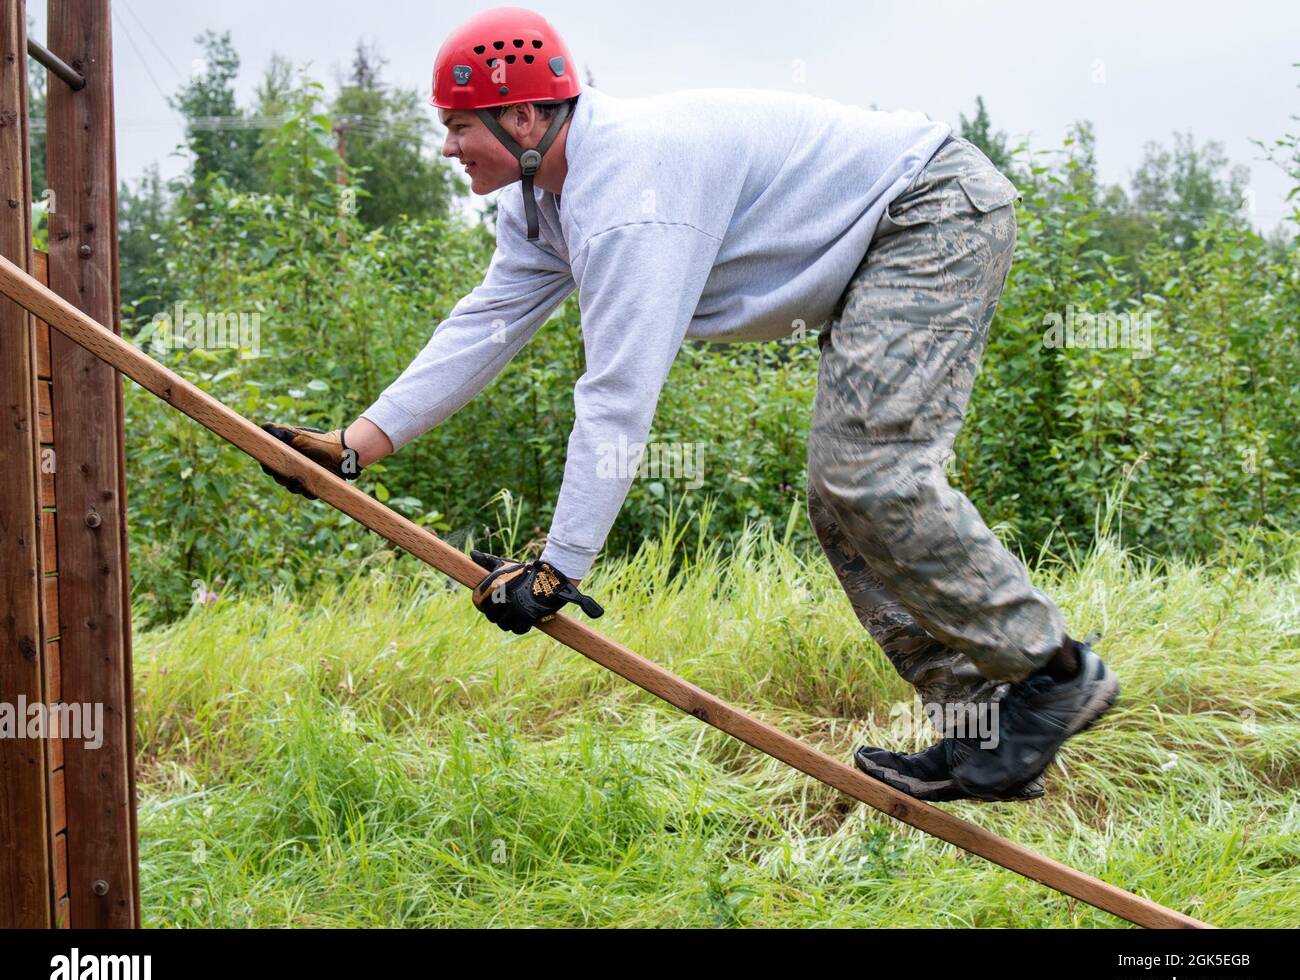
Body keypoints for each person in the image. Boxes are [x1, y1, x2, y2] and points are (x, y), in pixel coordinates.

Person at [261, 6, 1118, 802]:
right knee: (842, 499)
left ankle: (1054, 672)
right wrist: (354, 446)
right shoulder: (542, 203)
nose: (448, 148)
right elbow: (485, 326)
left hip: (931, 211)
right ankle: (979, 729)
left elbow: (618, 397)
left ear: (523, 120)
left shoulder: (629, 197)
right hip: (880, 242)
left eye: (457, 125)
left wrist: (560, 568)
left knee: (872, 475)